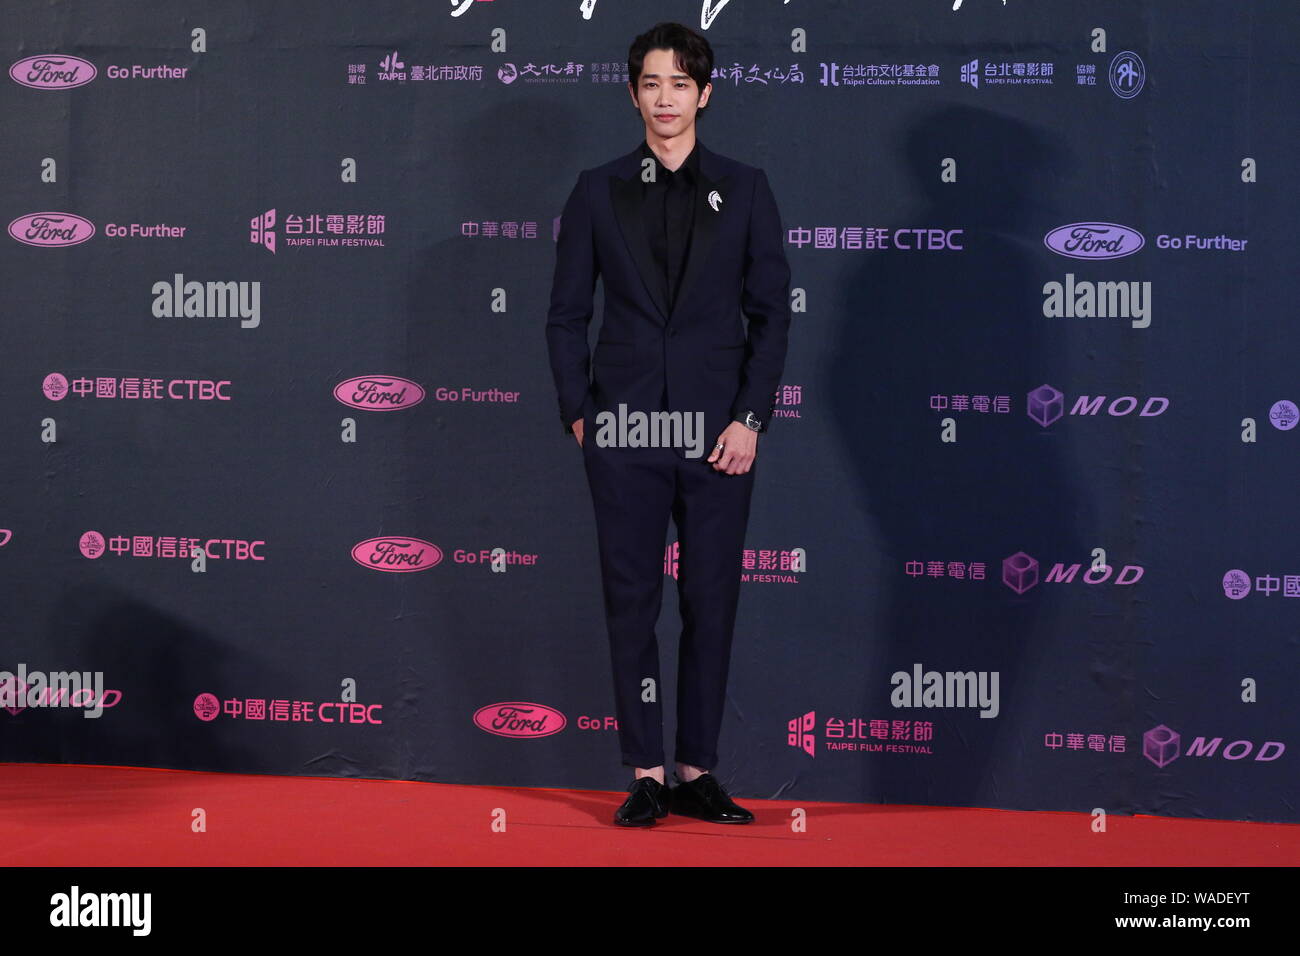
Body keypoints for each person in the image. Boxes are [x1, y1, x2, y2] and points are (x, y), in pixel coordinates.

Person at [545, 21, 791, 826]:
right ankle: (646, 772)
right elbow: (565, 316)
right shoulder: (594, 189)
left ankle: (698, 769)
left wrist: (751, 418)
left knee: (711, 599)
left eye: (680, 84)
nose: (665, 98)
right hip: (625, 436)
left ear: (705, 93)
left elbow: (771, 317)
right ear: (632, 94)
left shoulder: (747, 188)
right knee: (631, 599)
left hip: (720, 435)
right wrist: (582, 414)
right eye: (651, 84)